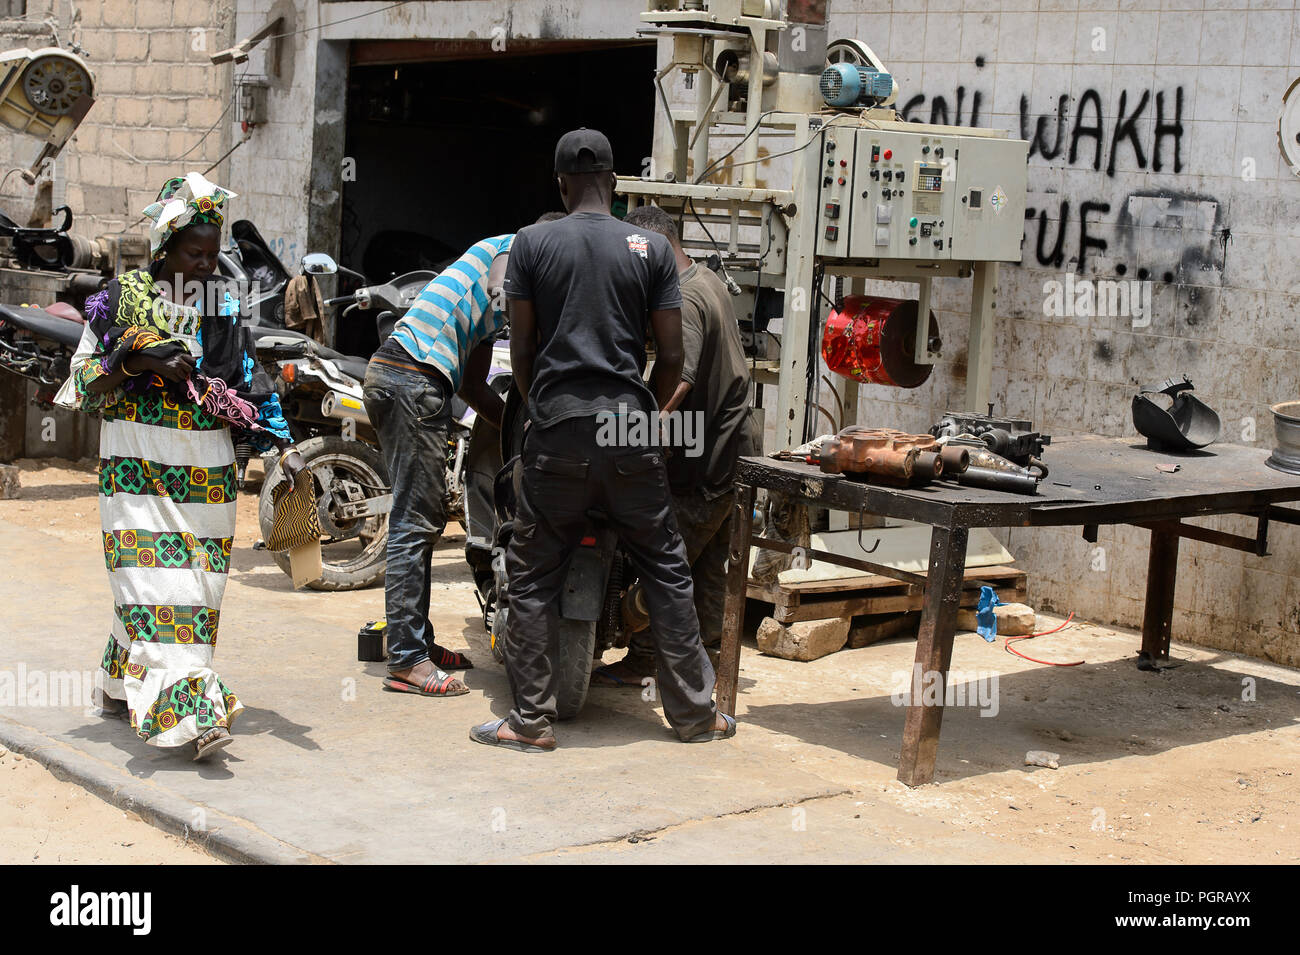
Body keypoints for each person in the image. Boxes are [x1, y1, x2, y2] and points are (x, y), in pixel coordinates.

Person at [469, 128, 736, 751]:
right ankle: (696, 716)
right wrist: (641, 409)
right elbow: (671, 356)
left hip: (558, 425)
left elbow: (524, 347)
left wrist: (541, 408)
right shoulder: (649, 249)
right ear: (615, 184)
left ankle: (531, 721)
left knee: (532, 574)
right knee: (668, 568)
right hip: (630, 428)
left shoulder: (533, 243)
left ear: (560, 184)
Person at [68, 172, 303, 761]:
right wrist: (134, 360)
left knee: (193, 591)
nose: (205, 264)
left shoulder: (221, 303)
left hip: (208, 472)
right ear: (164, 248)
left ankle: (120, 683)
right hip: (136, 469)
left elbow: (248, 378)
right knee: (157, 586)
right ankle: (190, 719)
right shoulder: (117, 300)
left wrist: (283, 445)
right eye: (193, 253)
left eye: (212, 253)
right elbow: (80, 384)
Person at [593, 203, 754, 687]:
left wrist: (634, 438)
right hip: (730, 452)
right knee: (706, 569)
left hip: (704, 461)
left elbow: (678, 381)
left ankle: (647, 662)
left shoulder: (683, 300)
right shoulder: (707, 280)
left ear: (656, 250)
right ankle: (706, 671)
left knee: (662, 565)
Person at [361, 232, 516, 697]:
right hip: (412, 380)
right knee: (416, 522)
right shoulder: (516, 248)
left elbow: (472, 387)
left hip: (399, 375)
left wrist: (516, 428)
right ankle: (407, 659)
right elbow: (504, 273)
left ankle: (418, 643)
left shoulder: (484, 318)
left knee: (422, 520)